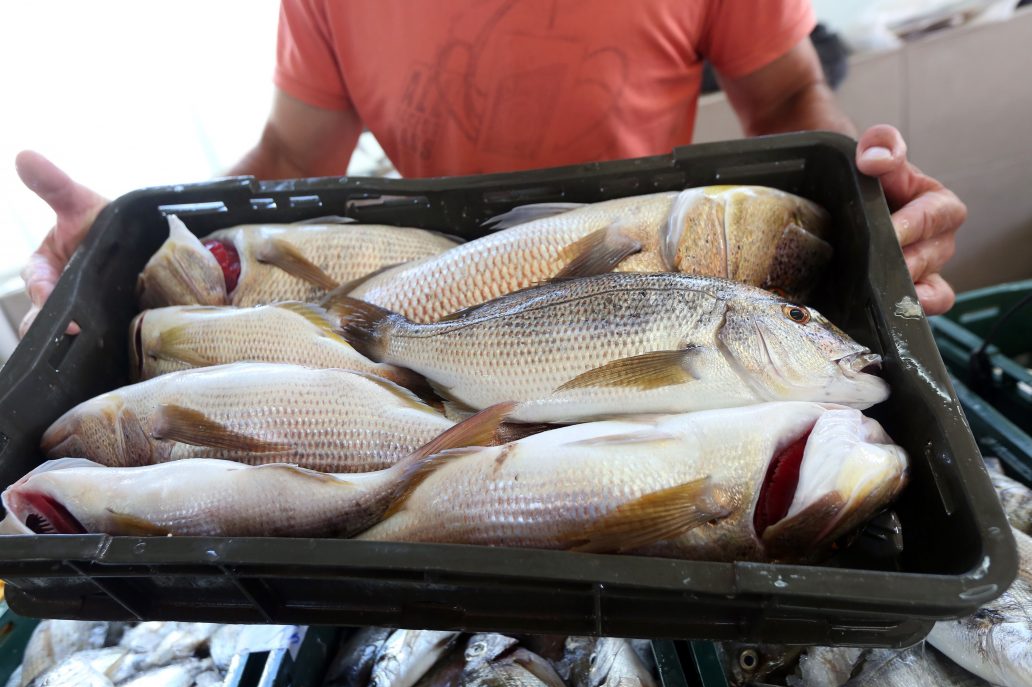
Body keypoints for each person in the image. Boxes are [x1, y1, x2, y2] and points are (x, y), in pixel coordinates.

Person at [15, 0, 964, 337]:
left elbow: (788, 94)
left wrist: (860, 198)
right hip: (432, 282)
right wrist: (144, 245)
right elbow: (296, 156)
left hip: (659, 282)